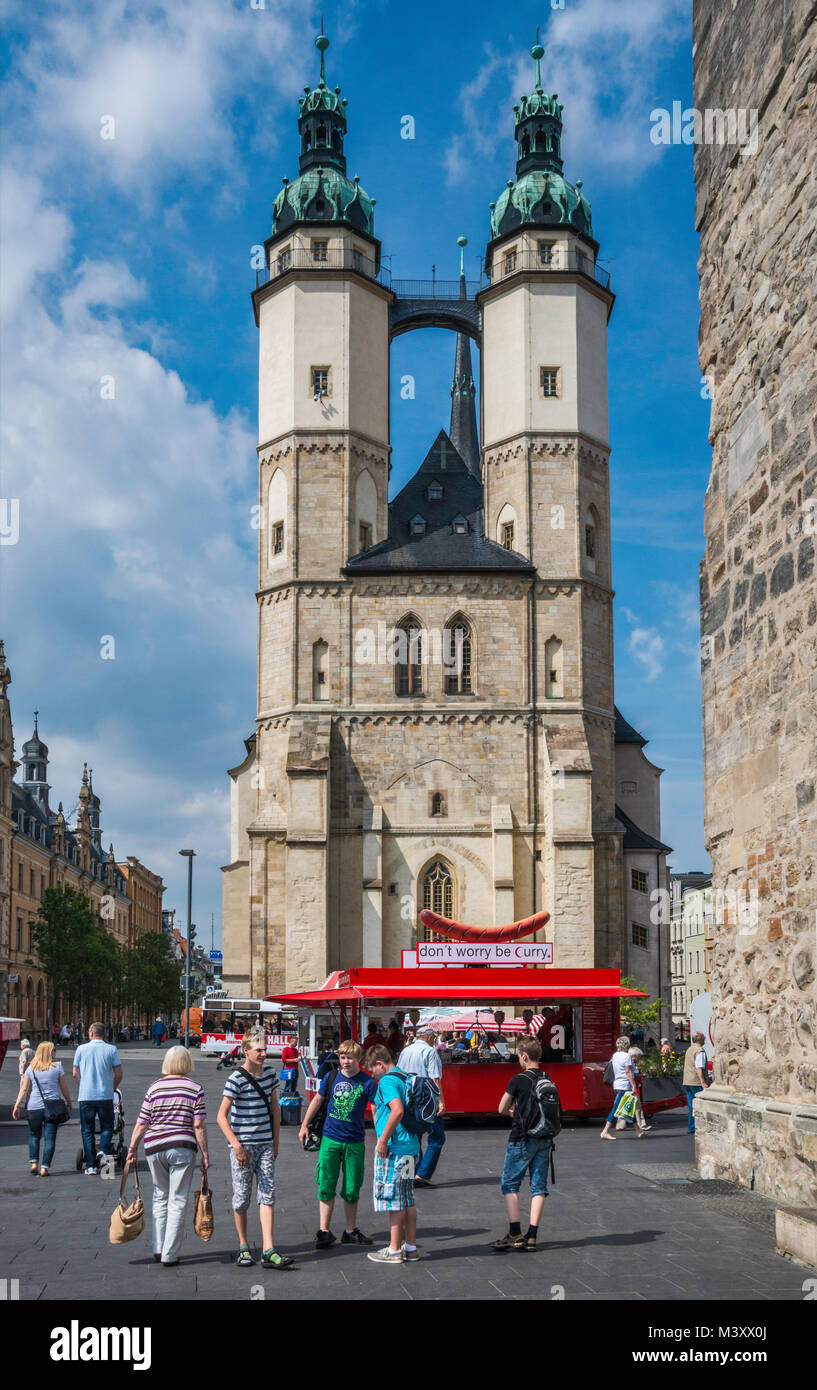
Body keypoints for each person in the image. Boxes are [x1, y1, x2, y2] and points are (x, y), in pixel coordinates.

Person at [217, 1030, 293, 1270]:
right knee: (241, 1197)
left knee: (267, 1194)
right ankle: (243, 1246)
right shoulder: (236, 1078)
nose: (263, 1053)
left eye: (265, 1048)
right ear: (245, 1050)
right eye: (258, 1049)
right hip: (243, 1146)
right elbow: (220, 1116)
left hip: (265, 1144)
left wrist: (276, 1142)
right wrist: (236, 1145)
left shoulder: (270, 1073)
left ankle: (269, 1249)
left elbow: (276, 1109)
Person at [126, 1045, 209, 1266]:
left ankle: (158, 1247)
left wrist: (132, 1147)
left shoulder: (154, 1088)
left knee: (160, 1196)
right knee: (178, 1199)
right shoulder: (195, 1088)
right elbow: (199, 1125)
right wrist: (205, 1154)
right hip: (182, 1146)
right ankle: (170, 1254)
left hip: (153, 1148)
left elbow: (142, 1122)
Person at [299, 1039, 376, 1249]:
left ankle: (350, 1230)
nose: (346, 1061)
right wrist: (304, 1125)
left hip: (354, 1142)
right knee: (326, 1184)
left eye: (350, 1057)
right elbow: (317, 1100)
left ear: (359, 1059)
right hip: (330, 1139)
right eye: (342, 1057)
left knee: (352, 1187)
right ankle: (324, 1231)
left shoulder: (368, 1082)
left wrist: (381, 1139)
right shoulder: (331, 1077)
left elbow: (376, 1110)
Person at [492, 1037, 551, 1252]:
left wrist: (512, 1112)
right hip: (545, 1138)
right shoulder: (547, 1077)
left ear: (524, 1056)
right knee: (538, 1188)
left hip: (521, 1138)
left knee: (510, 1185)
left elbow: (501, 1108)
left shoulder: (517, 1079)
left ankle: (515, 1233)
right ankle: (532, 1236)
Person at [363, 1044, 421, 1265]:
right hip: (410, 1146)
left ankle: (395, 1250)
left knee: (394, 1197)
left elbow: (397, 1110)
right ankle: (411, 1247)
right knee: (407, 1196)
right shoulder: (405, 1077)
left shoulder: (387, 1081)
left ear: (379, 1064)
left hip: (395, 1149)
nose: (372, 1074)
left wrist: (382, 1140)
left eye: (372, 1070)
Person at [12, 1040, 72, 1176]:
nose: (55, 1052)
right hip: (52, 1108)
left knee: (34, 1135)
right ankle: (44, 1168)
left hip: (33, 1107)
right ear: (50, 1052)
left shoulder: (31, 1068)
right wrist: (69, 1101)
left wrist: (17, 1106)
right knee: (50, 1138)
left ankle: (34, 1163)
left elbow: (24, 1089)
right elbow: (63, 1087)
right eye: (54, 1050)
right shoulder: (57, 1067)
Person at [397, 1026, 445, 1188]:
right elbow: (435, 1079)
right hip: (427, 1101)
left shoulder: (405, 1051)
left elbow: (399, 1074)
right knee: (437, 1137)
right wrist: (441, 1101)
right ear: (430, 1038)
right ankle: (422, 1173)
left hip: (408, 1099)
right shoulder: (430, 1052)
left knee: (412, 1137)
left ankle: (408, 1174)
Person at [73, 1022, 123, 1174]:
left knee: (87, 1130)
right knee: (107, 1126)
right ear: (104, 1033)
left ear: (91, 1032)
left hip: (86, 1096)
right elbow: (119, 1073)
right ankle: (102, 1149)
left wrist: (82, 1085)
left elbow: (75, 1072)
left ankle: (91, 1166)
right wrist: (113, 1087)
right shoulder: (111, 1049)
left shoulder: (81, 1049)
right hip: (105, 1095)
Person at [599, 1035, 638, 1140]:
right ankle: (605, 1131)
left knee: (629, 1107)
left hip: (617, 1085)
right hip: (625, 1085)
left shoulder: (615, 1055)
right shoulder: (627, 1056)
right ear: (627, 1045)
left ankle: (639, 1130)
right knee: (617, 1108)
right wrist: (633, 1085)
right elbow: (628, 1071)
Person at [683, 1032, 709, 1134]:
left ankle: (691, 1127)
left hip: (687, 1081)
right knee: (700, 1105)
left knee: (691, 1105)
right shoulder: (700, 1051)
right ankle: (698, 1126)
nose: (705, 1039)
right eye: (704, 1037)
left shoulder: (690, 1049)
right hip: (696, 1082)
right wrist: (702, 1082)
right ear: (700, 1039)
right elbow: (699, 1067)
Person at [627, 1046, 652, 1136]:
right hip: (630, 1086)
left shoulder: (626, 1061)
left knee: (623, 1105)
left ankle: (620, 1125)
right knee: (637, 1106)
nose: (639, 1058)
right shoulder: (630, 1062)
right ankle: (642, 1125)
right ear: (634, 1056)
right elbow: (631, 1074)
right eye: (638, 1056)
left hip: (622, 1086)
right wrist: (640, 1075)